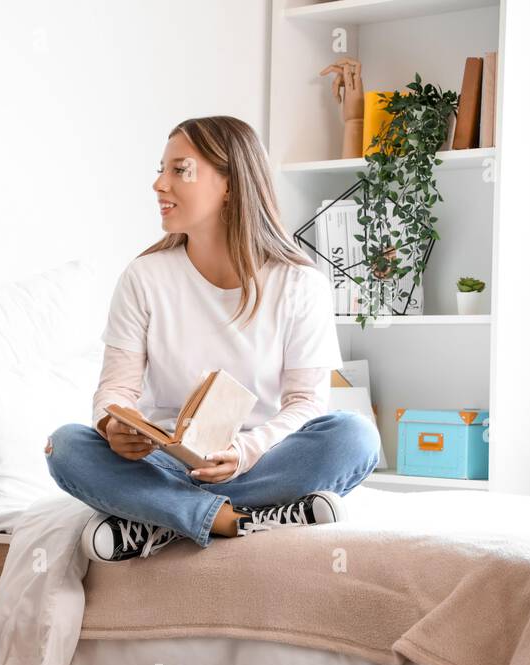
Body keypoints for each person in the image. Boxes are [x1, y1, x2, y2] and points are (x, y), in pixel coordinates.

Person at [45, 115, 380, 562]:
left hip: (260, 460)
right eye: (161, 170)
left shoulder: (301, 284)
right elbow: (115, 391)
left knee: (355, 436)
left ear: (231, 185)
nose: (159, 184)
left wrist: (244, 452)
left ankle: (159, 518)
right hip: (162, 463)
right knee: (65, 445)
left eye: (179, 170)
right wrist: (112, 427)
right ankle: (236, 518)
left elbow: (306, 403)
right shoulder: (143, 278)